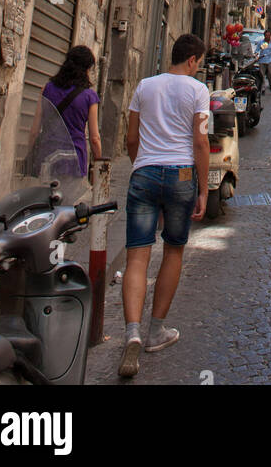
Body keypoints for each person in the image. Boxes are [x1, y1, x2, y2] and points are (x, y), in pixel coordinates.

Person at [118, 33, 210, 379]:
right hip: (180, 176)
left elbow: (131, 138)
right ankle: (156, 331)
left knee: (137, 256)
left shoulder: (144, 86)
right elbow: (200, 142)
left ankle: (132, 333)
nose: (198, 68)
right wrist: (202, 190)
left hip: (144, 173)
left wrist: (140, 166)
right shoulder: (196, 91)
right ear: (192, 60)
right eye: (199, 63)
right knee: (173, 251)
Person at [28, 45, 102, 178]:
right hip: (73, 159)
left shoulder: (47, 89)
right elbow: (95, 138)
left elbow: (34, 131)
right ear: (87, 69)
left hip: (47, 154)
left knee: (45, 196)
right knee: (68, 198)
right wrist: (98, 165)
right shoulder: (90, 97)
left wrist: (30, 155)